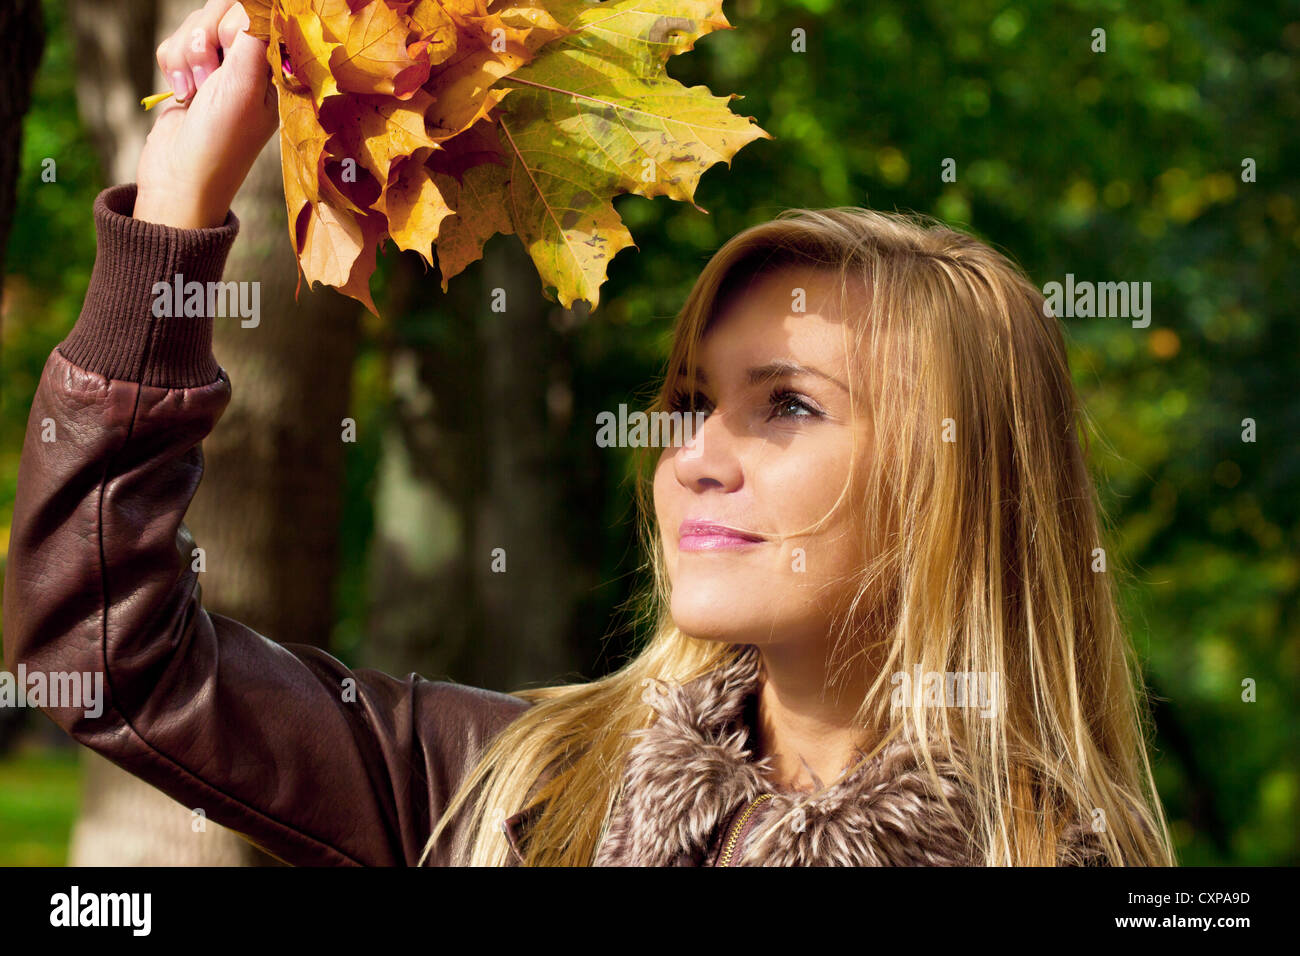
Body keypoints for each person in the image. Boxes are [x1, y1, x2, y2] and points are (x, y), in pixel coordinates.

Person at [2, 0, 1176, 867]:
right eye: (690, 400)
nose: (695, 456)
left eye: (788, 404)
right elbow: (105, 652)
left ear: (960, 477)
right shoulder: (519, 791)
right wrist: (176, 213)